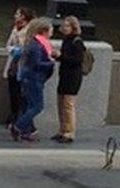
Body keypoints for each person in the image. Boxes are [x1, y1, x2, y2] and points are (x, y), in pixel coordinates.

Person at [11, 17, 54, 142]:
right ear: (44, 31)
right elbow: (36, 63)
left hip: (30, 78)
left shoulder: (34, 43)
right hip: (34, 78)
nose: (52, 32)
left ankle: (26, 131)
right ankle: (18, 126)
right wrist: (50, 63)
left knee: (28, 105)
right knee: (37, 106)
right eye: (50, 30)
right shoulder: (37, 45)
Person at [52, 15, 86, 143]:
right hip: (64, 75)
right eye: (64, 25)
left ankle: (69, 132)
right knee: (60, 104)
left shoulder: (77, 42)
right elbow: (65, 57)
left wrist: (61, 56)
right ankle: (62, 129)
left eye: (67, 26)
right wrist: (57, 56)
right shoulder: (66, 40)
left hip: (73, 77)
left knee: (68, 105)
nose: (65, 28)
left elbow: (77, 60)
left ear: (73, 27)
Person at [1, 7, 34, 130]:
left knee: (21, 94)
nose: (15, 16)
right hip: (13, 64)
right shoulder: (15, 28)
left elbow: (27, 46)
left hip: (22, 65)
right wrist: (12, 49)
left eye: (17, 14)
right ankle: (13, 114)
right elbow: (8, 45)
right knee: (12, 91)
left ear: (24, 17)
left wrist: (19, 47)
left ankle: (19, 118)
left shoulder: (30, 30)